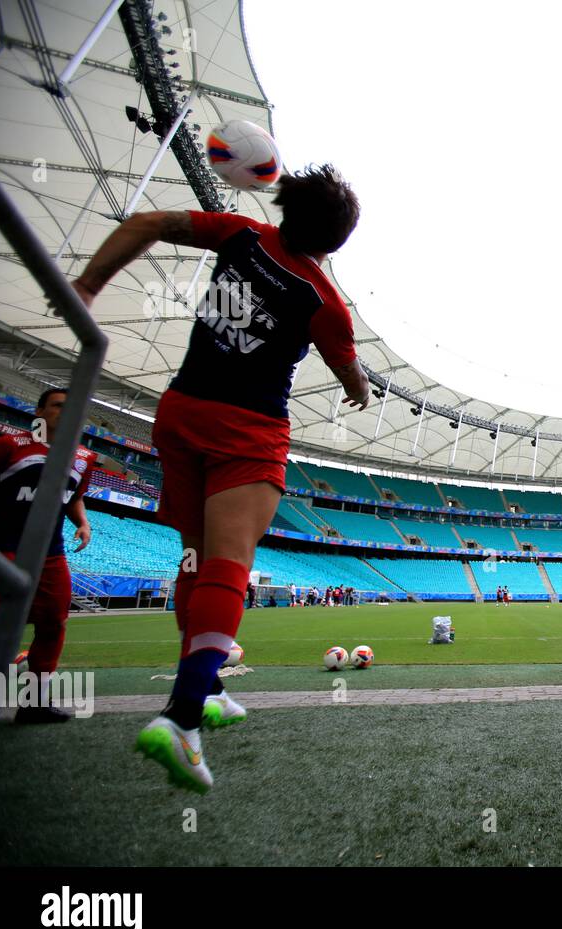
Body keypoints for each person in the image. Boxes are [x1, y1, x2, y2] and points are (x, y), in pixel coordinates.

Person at [72, 164, 368, 792]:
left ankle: (201, 690)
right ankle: (180, 721)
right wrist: (360, 389)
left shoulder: (240, 234)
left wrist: (89, 284)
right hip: (248, 430)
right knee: (229, 565)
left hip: (180, 411)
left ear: (286, 208)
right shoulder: (323, 300)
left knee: (193, 558)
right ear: (337, 242)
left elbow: (150, 222)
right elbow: (350, 373)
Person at [0, 388, 98, 723]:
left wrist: (82, 522)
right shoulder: (9, 446)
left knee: (54, 623)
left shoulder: (84, 458)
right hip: (4, 547)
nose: (66, 413)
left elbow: (73, 496)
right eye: (57, 406)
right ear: (39, 412)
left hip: (51, 553)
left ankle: (35, 703)